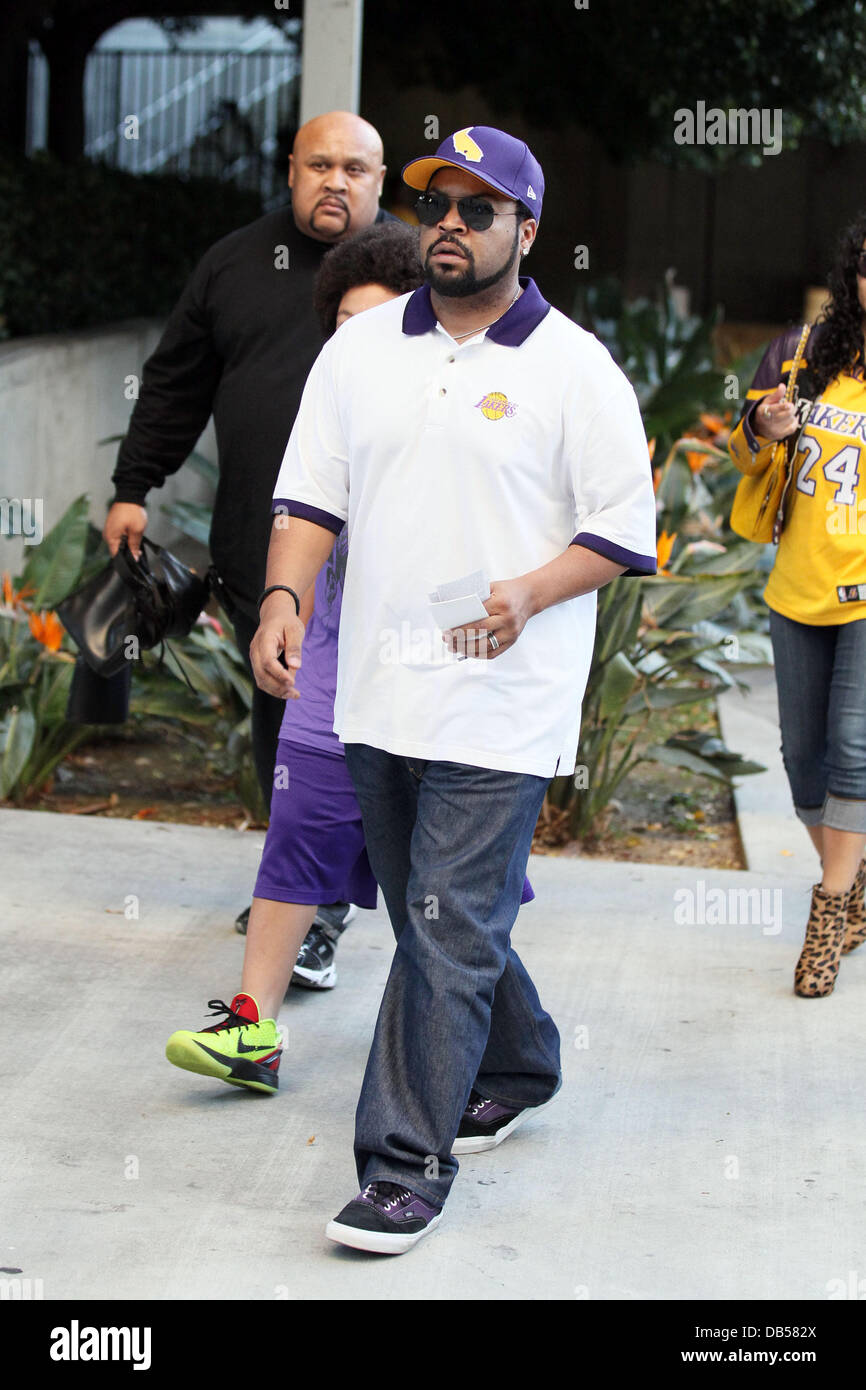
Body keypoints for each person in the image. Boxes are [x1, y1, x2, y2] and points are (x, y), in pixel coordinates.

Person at [251, 125, 657, 1253]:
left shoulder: (572, 367)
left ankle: (400, 1165)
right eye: (437, 203)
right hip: (378, 693)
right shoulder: (362, 349)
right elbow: (307, 501)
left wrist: (531, 590)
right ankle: (520, 1059)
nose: (448, 224)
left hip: (501, 698)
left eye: (478, 210)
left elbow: (622, 531)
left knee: (440, 929)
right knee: (448, 920)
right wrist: (283, 601)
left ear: (525, 233)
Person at [102, 110, 395, 976]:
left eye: (355, 168)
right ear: (292, 170)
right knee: (287, 731)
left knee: (358, 737)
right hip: (261, 554)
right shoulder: (235, 263)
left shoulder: (419, 272)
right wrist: (132, 488)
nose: (335, 181)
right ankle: (305, 897)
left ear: (380, 182)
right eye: (318, 165)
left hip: (388, 564)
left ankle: (325, 905)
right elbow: (174, 383)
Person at [729, 213, 866, 999]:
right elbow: (740, 453)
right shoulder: (803, 353)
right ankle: (852, 879)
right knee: (801, 759)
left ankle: (830, 912)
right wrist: (764, 424)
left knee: (852, 748)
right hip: (797, 586)